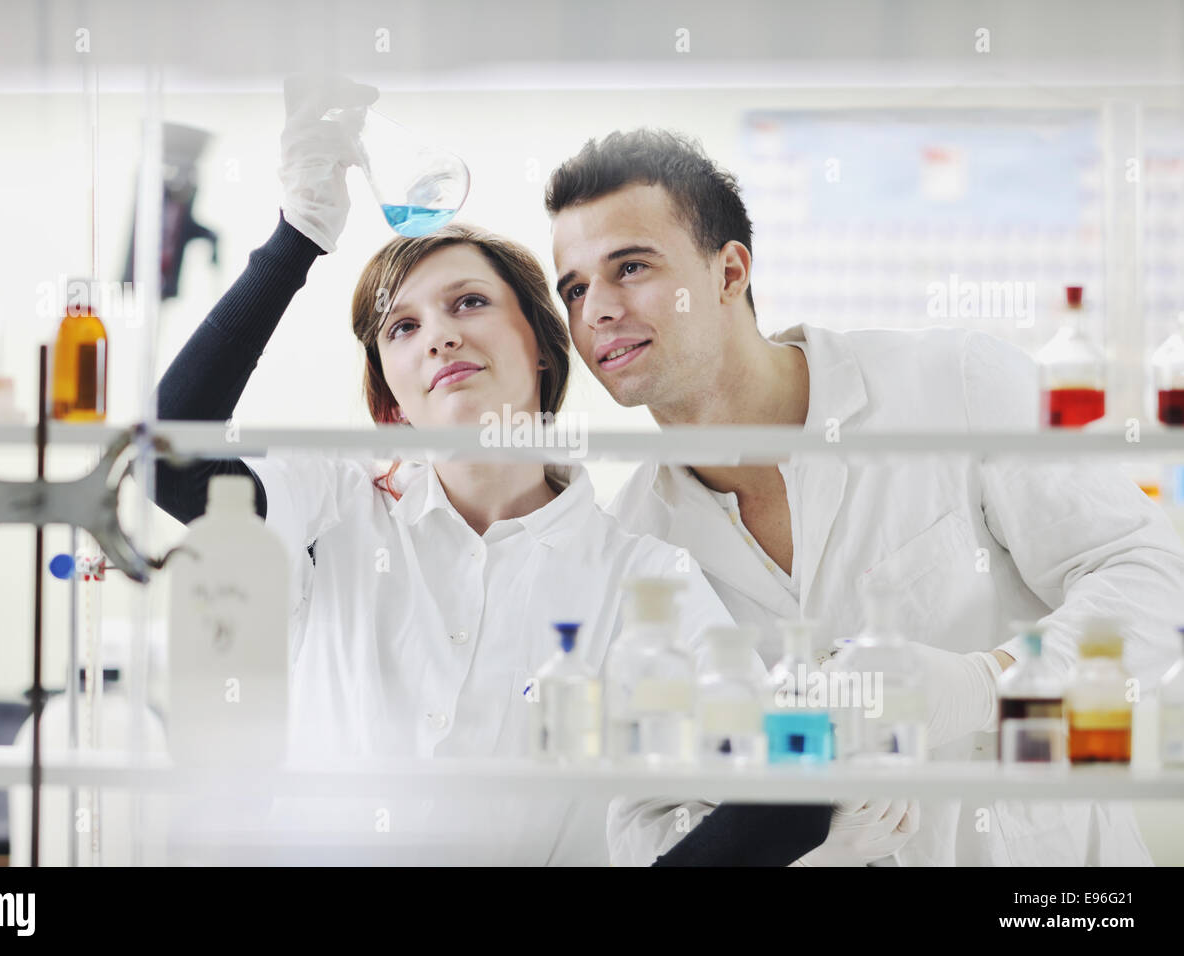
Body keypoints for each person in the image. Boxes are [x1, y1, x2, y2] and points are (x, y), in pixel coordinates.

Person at [152, 77, 836, 865]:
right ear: (391, 396)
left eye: (469, 302)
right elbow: (165, 460)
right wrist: (296, 237)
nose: (437, 335)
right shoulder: (333, 507)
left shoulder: (643, 578)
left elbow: (795, 791)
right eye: (402, 326)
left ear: (543, 345)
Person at [544, 128, 1184, 866]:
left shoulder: (956, 385)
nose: (597, 310)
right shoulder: (629, 548)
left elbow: (1155, 579)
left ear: (729, 273)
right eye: (575, 288)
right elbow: (644, 823)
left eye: (631, 266)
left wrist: (987, 683)